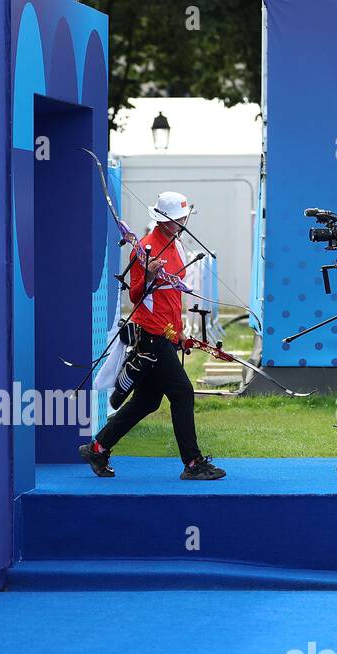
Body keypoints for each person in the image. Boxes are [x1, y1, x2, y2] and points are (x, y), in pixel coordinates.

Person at [79, 191, 225, 481]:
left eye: (185, 217)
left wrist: (180, 333)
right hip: (151, 336)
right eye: (181, 218)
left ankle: (98, 447)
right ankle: (193, 463)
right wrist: (147, 275)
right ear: (167, 219)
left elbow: (174, 296)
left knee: (147, 401)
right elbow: (134, 296)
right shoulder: (143, 249)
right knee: (182, 391)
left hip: (167, 334)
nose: (185, 222)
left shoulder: (178, 246)